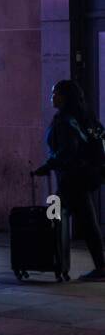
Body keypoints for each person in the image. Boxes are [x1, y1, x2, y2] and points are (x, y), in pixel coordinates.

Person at [35, 80, 105, 280]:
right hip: (81, 178)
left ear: (64, 97)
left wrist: (48, 165)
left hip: (71, 180)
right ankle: (59, 262)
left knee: (55, 215)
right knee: (80, 219)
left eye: (55, 93)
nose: (52, 97)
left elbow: (68, 150)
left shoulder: (65, 120)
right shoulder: (84, 116)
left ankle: (54, 261)